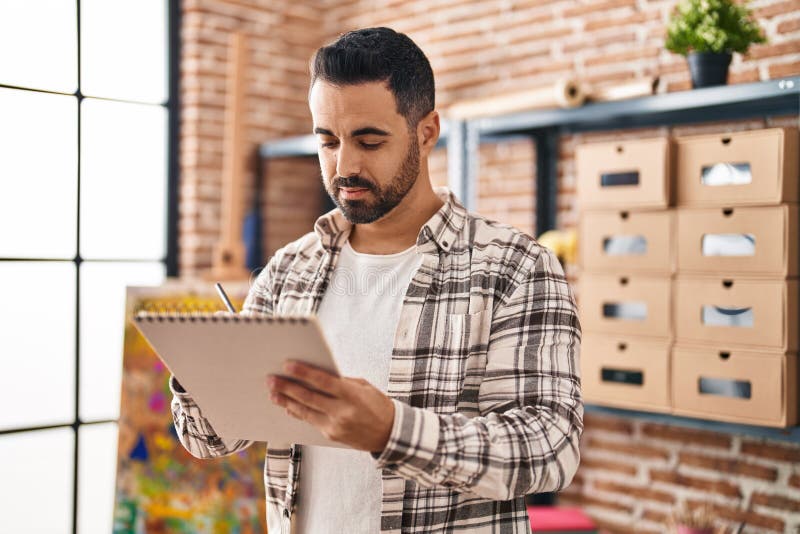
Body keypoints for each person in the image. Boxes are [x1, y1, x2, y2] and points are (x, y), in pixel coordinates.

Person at [170, 27, 583, 534]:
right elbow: (211, 440)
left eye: (369, 140)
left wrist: (392, 431)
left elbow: (548, 450)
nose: (344, 165)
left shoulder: (515, 268)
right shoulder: (286, 272)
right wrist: (199, 375)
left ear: (427, 131)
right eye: (327, 141)